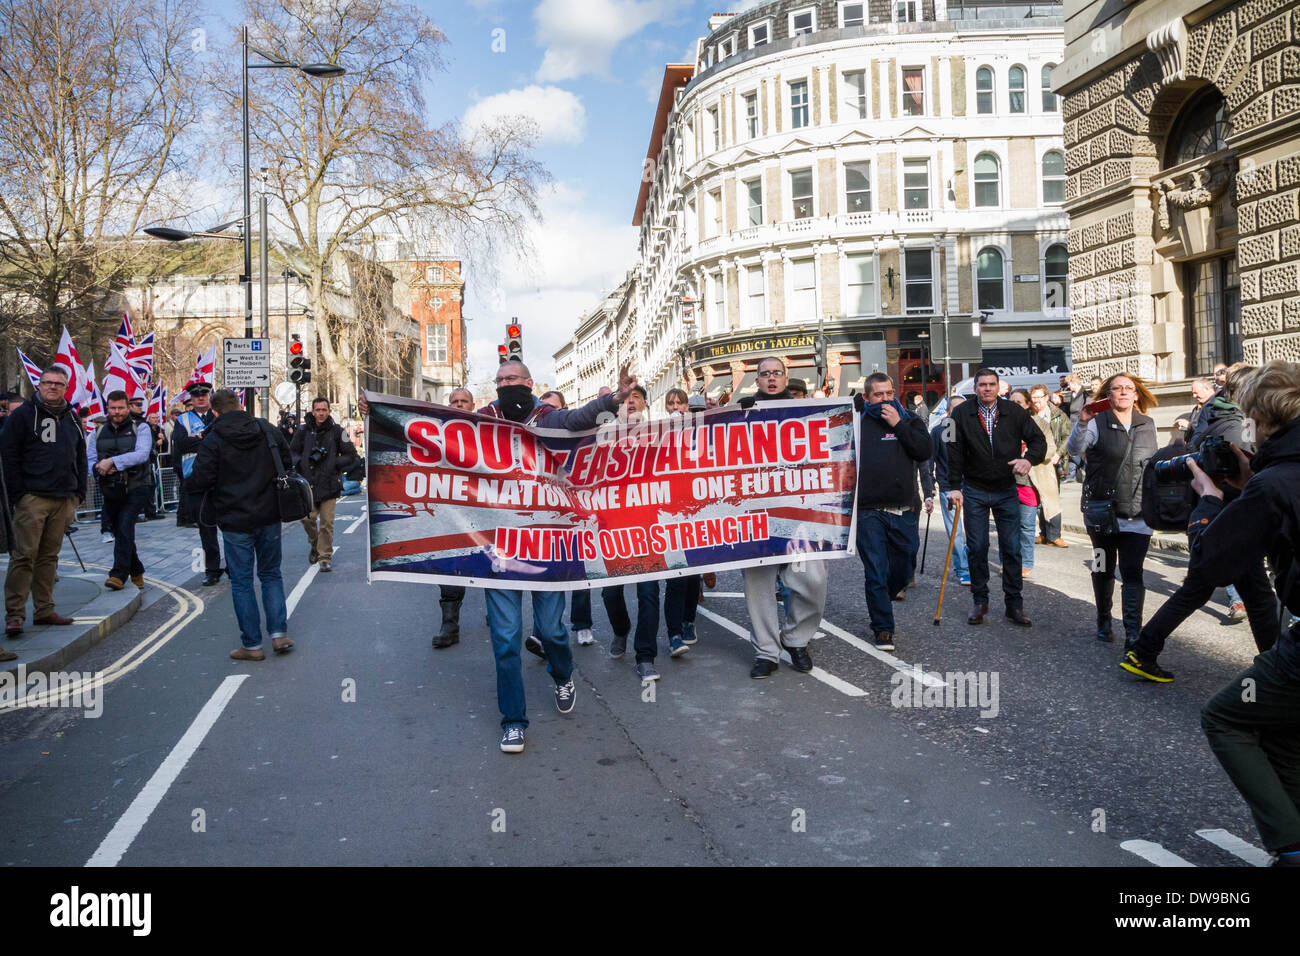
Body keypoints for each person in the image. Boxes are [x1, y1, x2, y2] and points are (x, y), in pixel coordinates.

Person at [359, 360, 637, 753]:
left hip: (546, 547)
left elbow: (580, 418)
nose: (507, 385)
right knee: (505, 641)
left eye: (513, 380)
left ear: (530, 383)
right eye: (501, 380)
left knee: (553, 630)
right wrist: (380, 413)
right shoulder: (482, 421)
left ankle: (563, 673)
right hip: (500, 550)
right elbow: (429, 431)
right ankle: (513, 721)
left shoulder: (549, 417)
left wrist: (616, 398)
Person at [1193, 361, 1300, 865]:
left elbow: (1215, 562)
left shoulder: (1275, 481)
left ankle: (1289, 845)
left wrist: (1212, 501)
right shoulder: (1274, 476)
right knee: (1281, 724)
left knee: (1226, 718)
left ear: (1260, 419)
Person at [1124, 365, 1277, 680]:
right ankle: (1276, 672)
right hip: (1229, 520)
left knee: (1200, 590)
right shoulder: (1238, 424)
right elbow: (1245, 475)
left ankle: (1143, 651)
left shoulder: (1215, 416)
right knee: (1259, 599)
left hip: (1215, 518)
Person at [187, 389, 293, 660]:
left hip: (234, 519)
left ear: (215, 411)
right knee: (271, 575)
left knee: (243, 582)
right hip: (269, 514)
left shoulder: (214, 439)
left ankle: (252, 645)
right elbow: (287, 462)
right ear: (240, 405)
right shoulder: (266, 429)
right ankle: (279, 633)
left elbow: (200, 479)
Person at [739, 357, 826, 677]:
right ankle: (766, 650)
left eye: (777, 373)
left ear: (786, 377)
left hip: (799, 511)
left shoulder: (806, 412)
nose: (771, 378)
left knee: (812, 579)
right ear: (757, 380)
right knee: (758, 585)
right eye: (765, 374)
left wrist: (857, 411)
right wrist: (739, 414)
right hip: (757, 513)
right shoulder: (742, 412)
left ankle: (796, 638)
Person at [945, 368, 1046, 627]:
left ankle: (1014, 605)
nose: (987, 389)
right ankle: (980, 601)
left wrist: (1028, 460)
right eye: (982, 385)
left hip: (1006, 489)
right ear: (975, 388)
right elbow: (952, 452)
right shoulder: (960, 413)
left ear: (998, 387)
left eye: (991, 384)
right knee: (977, 547)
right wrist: (953, 486)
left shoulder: (1014, 412)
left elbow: (1038, 441)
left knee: (1011, 548)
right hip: (975, 490)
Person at [1065, 373, 1159, 646]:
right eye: (1117, 389)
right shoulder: (1096, 422)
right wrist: (1082, 422)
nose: (1124, 393)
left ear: (1137, 394)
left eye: (1129, 389)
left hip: (1138, 511)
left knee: (1133, 572)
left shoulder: (1148, 424)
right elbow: (1075, 449)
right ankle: (1103, 618)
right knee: (1103, 567)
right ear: (1109, 394)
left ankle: (1133, 633)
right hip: (1101, 510)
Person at [1, 366, 87, 637]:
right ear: (39, 385)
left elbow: (80, 456)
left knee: (49, 557)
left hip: (64, 498)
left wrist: (79, 492)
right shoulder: (23, 416)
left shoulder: (72, 417)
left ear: (65, 387)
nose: (52, 387)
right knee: (24, 556)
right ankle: (15, 614)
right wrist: (19, 495)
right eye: (48, 383)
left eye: (58, 384)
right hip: (32, 498)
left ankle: (44, 609)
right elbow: (9, 456)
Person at [854, 372, 933, 651]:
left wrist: (898, 425)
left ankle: (880, 599)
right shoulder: (858, 424)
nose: (885, 399)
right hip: (868, 511)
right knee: (875, 571)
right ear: (867, 397)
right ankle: (883, 628)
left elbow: (924, 451)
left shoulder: (910, 420)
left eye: (889, 393)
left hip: (904, 507)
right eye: (878, 395)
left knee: (904, 564)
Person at [598, 384, 670, 682]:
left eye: (636, 397)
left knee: (648, 593)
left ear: (644, 404)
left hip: (646, 525)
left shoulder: (660, 434)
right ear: (618, 406)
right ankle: (620, 629)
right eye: (625, 399)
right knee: (610, 591)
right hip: (612, 524)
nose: (631, 402)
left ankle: (645, 656)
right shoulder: (602, 435)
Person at [87, 391, 153, 591]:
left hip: (138, 485)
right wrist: (99, 468)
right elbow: (90, 459)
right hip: (111, 488)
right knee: (119, 530)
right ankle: (136, 569)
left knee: (125, 526)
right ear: (108, 408)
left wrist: (114, 462)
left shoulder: (140, 427)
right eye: (113, 408)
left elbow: (142, 454)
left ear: (128, 407)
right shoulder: (96, 433)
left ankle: (118, 575)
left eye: (120, 408)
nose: (116, 412)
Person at [290, 397, 358, 574]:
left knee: (327, 524)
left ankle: (325, 558)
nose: (321, 413)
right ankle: (315, 544)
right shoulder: (303, 430)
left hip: (329, 484)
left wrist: (334, 462)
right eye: (318, 410)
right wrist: (302, 463)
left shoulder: (337, 431)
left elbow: (351, 454)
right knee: (306, 519)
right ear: (313, 411)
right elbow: (292, 452)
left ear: (329, 411)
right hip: (308, 484)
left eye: (324, 410)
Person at [434, 387, 477, 649]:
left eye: (464, 401)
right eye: (455, 401)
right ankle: (449, 625)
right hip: (452, 510)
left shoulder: (487, 429)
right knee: (451, 568)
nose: (459, 405)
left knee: (494, 565)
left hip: (484, 509)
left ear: (472, 406)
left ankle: (498, 616)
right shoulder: (437, 432)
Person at [661, 388, 702, 652]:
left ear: (687, 406)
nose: (676, 407)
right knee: (676, 575)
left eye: (680, 403)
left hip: (695, 512)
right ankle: (674, 633)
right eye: (671, 403)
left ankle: (688, 621)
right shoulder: (657, 433)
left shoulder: (698, 432)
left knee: (692, 575)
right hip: (668, 513)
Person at [171, 382, 223, 582]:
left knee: (229, 525)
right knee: (205, 526)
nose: (201, 398)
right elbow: (182, 444)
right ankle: (212, 570)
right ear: (190, 399)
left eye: (204, 394)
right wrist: (206, 439)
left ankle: (234, 566)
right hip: (195, 478)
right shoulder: (183, 419)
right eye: (196, 395)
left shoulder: (218, 415)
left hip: (220, 477)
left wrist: (199, 438)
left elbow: (222, 439)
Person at [928, 394, 970, 587]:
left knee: (975, 531)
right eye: (957, 409)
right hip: (948, 487)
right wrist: (930, 486)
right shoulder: (940, 431)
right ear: (948, 411)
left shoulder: (973, 428)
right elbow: (930, 460)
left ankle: (974, 565)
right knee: (956, 532)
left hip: (973, 486)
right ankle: (963, 570)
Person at [1008, 390, 1042, 578]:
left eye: (1019, 402)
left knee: (1027, 527)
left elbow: (1048, 447)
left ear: (1028, 404)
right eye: (1012, 401)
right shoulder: (1002, 423)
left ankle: (1026, 563)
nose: (1015, 405)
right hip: (1008, 482)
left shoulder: (1038, 424)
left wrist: (1028, 458)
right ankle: (1012, 562)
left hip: (1030, 482)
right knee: (1009, 527)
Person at [1030, 383, 1071, 523]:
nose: (1035, 400)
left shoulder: (1059, 415)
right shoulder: (1028, 415)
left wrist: (1058, 454)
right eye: (1033, 397)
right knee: (1039, 498)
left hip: (1054, 461)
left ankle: (1054, 535)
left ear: (1047, 397)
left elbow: (1068, 436)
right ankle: (1043, 533)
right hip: (1035, 462)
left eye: (1039, 397)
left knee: (1052, 497)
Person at [1186, 377, 1216, 442]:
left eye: (1196, 392)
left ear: (1206, 389)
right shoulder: (1197, 407)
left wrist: (1189, 425)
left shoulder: (1216, 405)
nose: (1194, 396)